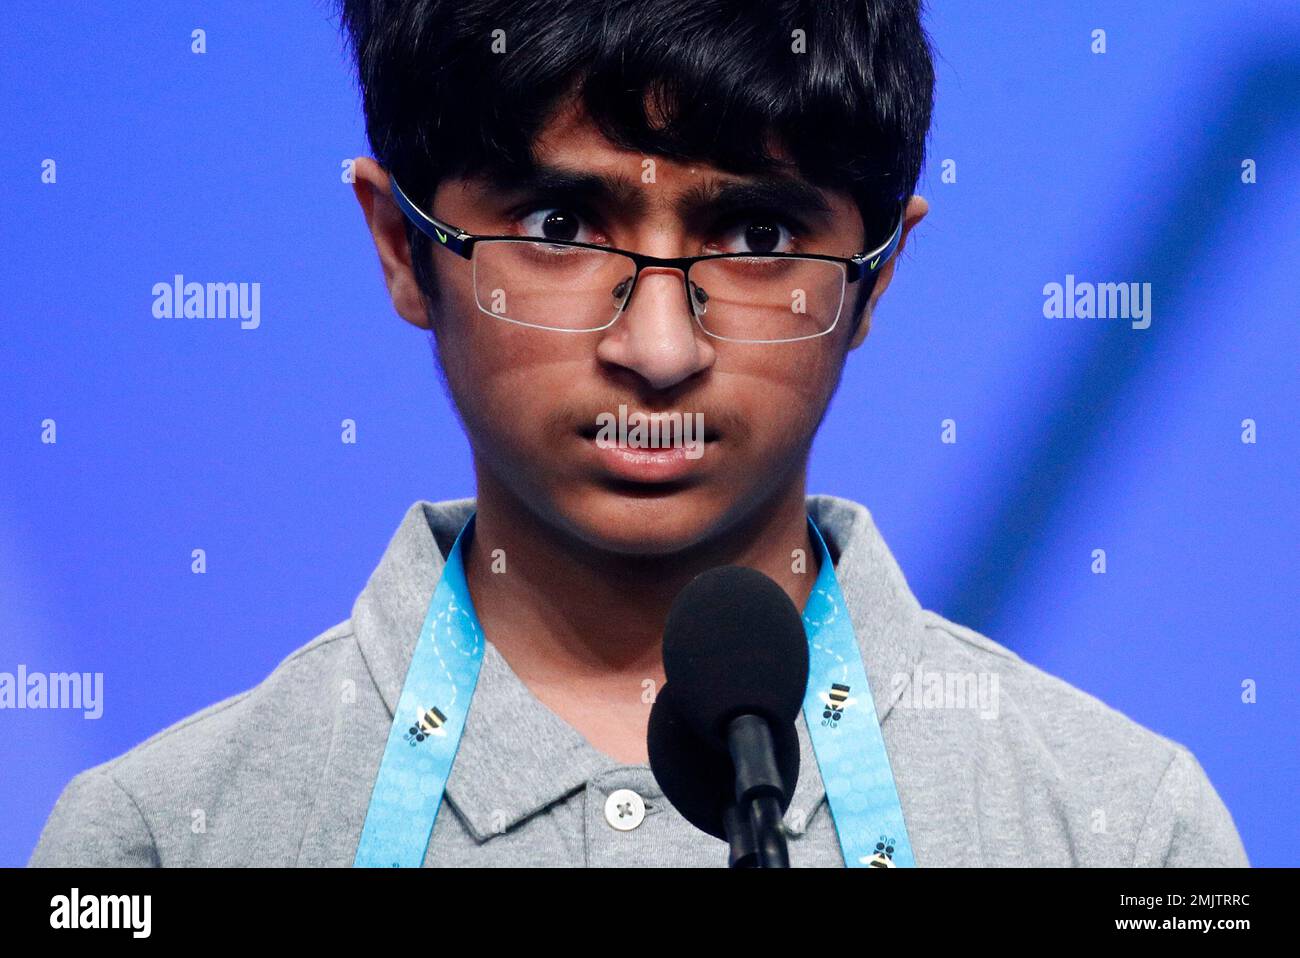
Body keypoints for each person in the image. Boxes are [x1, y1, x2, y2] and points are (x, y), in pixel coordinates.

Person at [29, 0, 1247, 867]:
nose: (658, 348)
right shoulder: (155, 842)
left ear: (876, 280)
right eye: (560, 224)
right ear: (401, 247)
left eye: (760, 238)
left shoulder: (1122, 833)